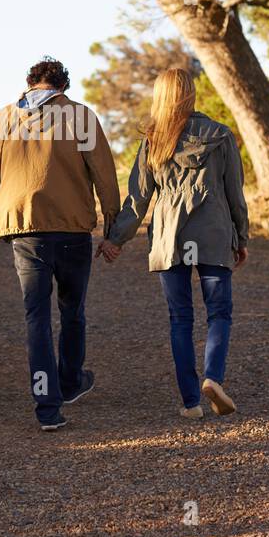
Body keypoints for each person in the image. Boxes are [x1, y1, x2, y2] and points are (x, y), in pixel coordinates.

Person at [0, 56, 121, 432]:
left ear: (29, 83)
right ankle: (70, 382)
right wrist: (113, 231)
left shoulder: (4, 119)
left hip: (24, 232)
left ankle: (46, 406)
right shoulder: (81, 117)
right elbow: (105, 176)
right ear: (62, 88)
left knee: (36, 316)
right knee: (72, 310)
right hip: (72, 231)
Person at [99, 68, 249, 419]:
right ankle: (213, 378)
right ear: (190, 94)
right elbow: (235, 194)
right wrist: (241, 237)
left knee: (180, 317)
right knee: (219, 313)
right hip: (212, 233)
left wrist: (114, 239)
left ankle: (190, 402)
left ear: (161, 97)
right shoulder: (220, 135)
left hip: (170, 236)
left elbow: (138, 200)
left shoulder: (154, 141)